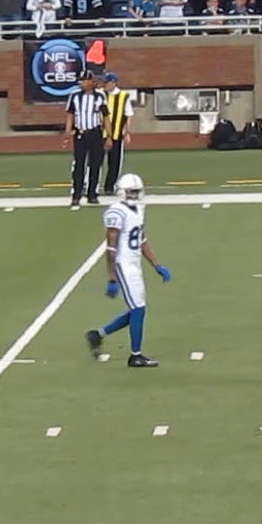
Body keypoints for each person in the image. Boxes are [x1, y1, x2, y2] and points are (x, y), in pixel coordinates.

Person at [84, 173, 171, 367]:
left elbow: (141, 240)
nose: (134, 195)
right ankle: (135, 355)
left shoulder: (138, 210)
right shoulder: (116, 212)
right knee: (138, 309)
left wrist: (157, 265)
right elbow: (111, 248)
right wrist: (111, 278)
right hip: (123, 264)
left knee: (138, 309)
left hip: (134, 262)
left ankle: (98, 334)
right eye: (131, 192)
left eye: (136, 192)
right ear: (122, 192)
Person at [63, 70, 108, 208]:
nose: (81, 83)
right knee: (79, 165)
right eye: (80, 80)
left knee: (95, 164)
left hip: (95, 133)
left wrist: (109, 136)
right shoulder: (75, 95)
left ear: (91, 82)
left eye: (83, 80)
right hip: (80, 134)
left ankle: (92, 194)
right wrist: (67, 132)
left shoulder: (100, 95)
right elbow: (70, 114)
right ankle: (76, 195)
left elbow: (106, 116)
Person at [101, 72, 134, 196]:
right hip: (100, 134)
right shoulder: (101, 95)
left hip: (117, 134)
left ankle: (110, 186)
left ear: (113, 83)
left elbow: (128, 115)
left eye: (107, 82)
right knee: (95, 161)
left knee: (114, 162)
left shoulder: (123, 96)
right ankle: (90, 186)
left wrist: (127, 132)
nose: (105, 85)